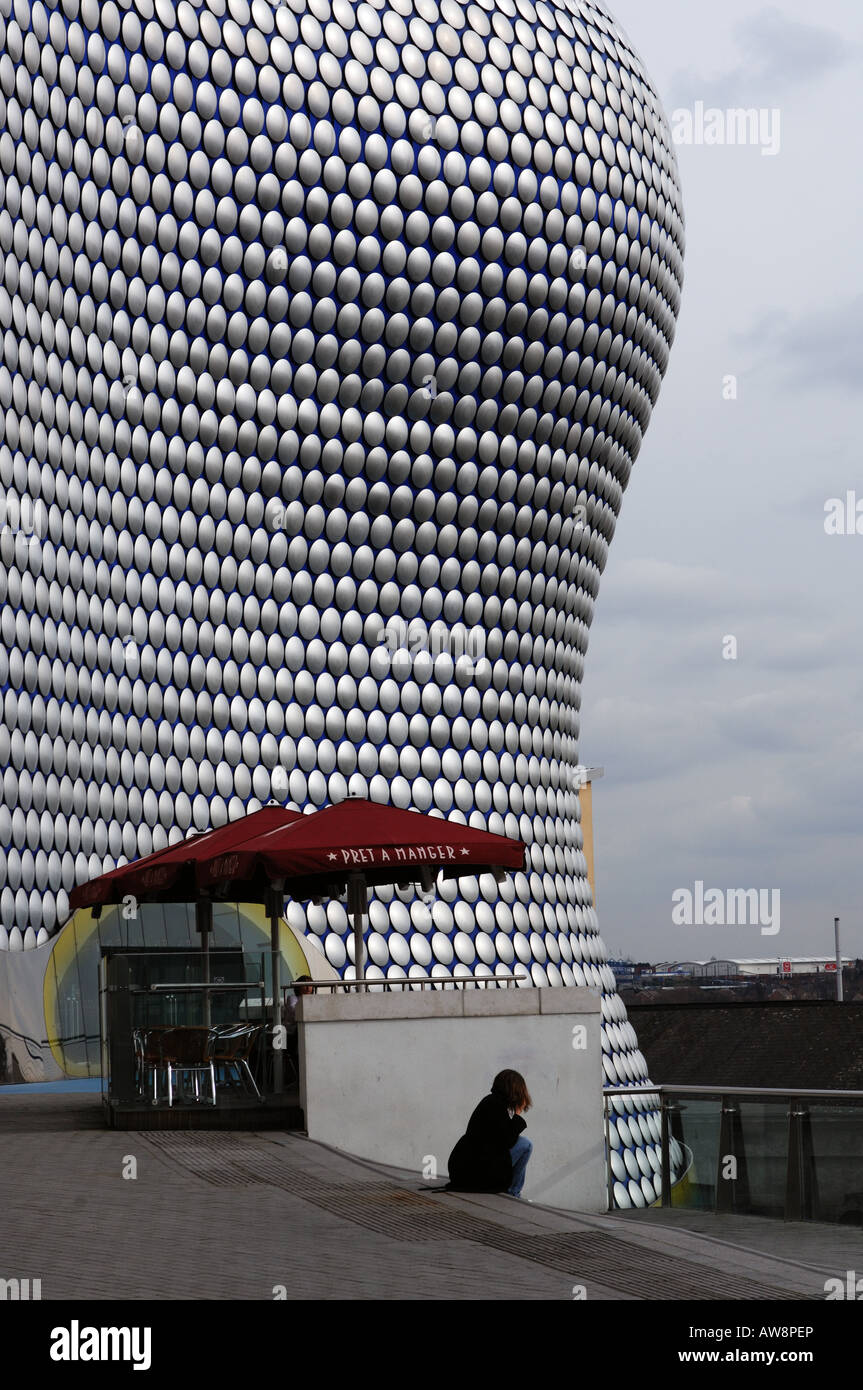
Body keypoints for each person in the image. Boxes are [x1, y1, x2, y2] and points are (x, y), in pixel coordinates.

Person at [447, 1069, 533, 1198]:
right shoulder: (496, 1105)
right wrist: (518, 1114)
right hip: (477, 1173)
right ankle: (513, 1193)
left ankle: (514, 1191)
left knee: (522, 1143)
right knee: (525, 1144)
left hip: (465, 1171)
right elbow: (506, 1141)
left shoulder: (490, 1102)